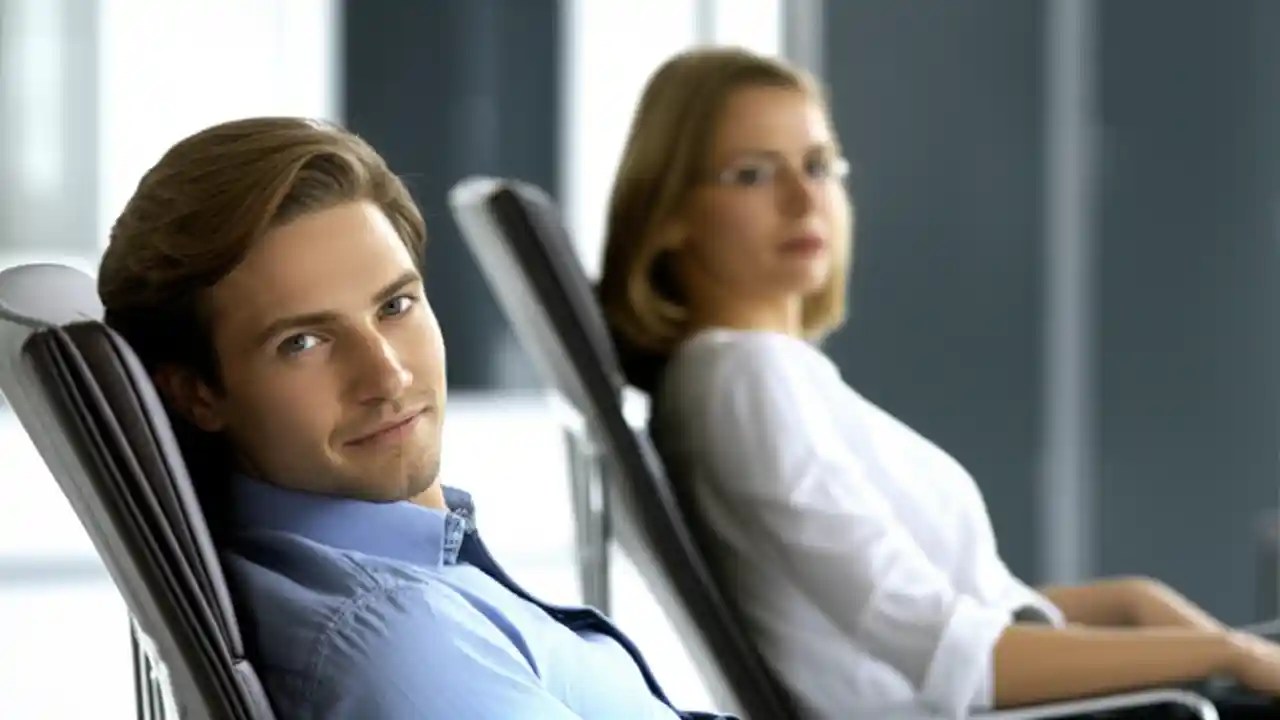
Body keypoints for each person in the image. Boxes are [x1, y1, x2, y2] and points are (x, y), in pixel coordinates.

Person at [598, 46, 1280, 719]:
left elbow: (956, 614)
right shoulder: (745, 381)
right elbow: (953, 654)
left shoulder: (761, 378)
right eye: (751, 174)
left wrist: (1136, 602)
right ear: (669, 214)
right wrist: (1222, 652)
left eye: (817, 165)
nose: (804, 198)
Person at [97, 116, 728, 720]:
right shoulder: (398, 641)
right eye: (303, 343)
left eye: (395, 305)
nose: (387, 376)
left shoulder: (388, 572)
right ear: (197, 394)